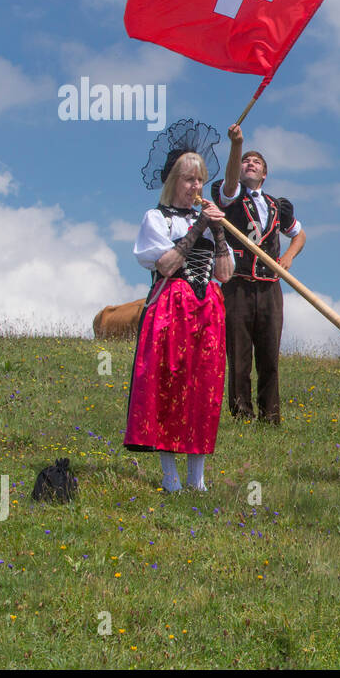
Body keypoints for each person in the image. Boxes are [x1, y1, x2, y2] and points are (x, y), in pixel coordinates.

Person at [125, 120, 234, 493]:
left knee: (204, 386)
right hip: (172, 307)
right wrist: (198, 229)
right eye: (190, 180)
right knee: (169, 384)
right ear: (174, 181)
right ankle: (169, 475)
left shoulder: (205, 218)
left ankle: (197, 478)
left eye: (201, 180)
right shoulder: (156, 218)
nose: (197, 187)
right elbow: (166, 265)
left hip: (208, 309)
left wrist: (218, 232)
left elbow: (225, 274)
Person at [211, 123, 306, 425]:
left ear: (265, 174)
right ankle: (242, 416)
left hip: (270, 288)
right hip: (237, 285)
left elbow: (299, 235)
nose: (250, 164)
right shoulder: (229, 195)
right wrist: (236, 145)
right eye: (245, 162)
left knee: (269, 356)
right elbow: (228, 185)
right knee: (239, 354)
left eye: (257, 163)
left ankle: (271, 416)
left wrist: (288, 257)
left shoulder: (278, 205)